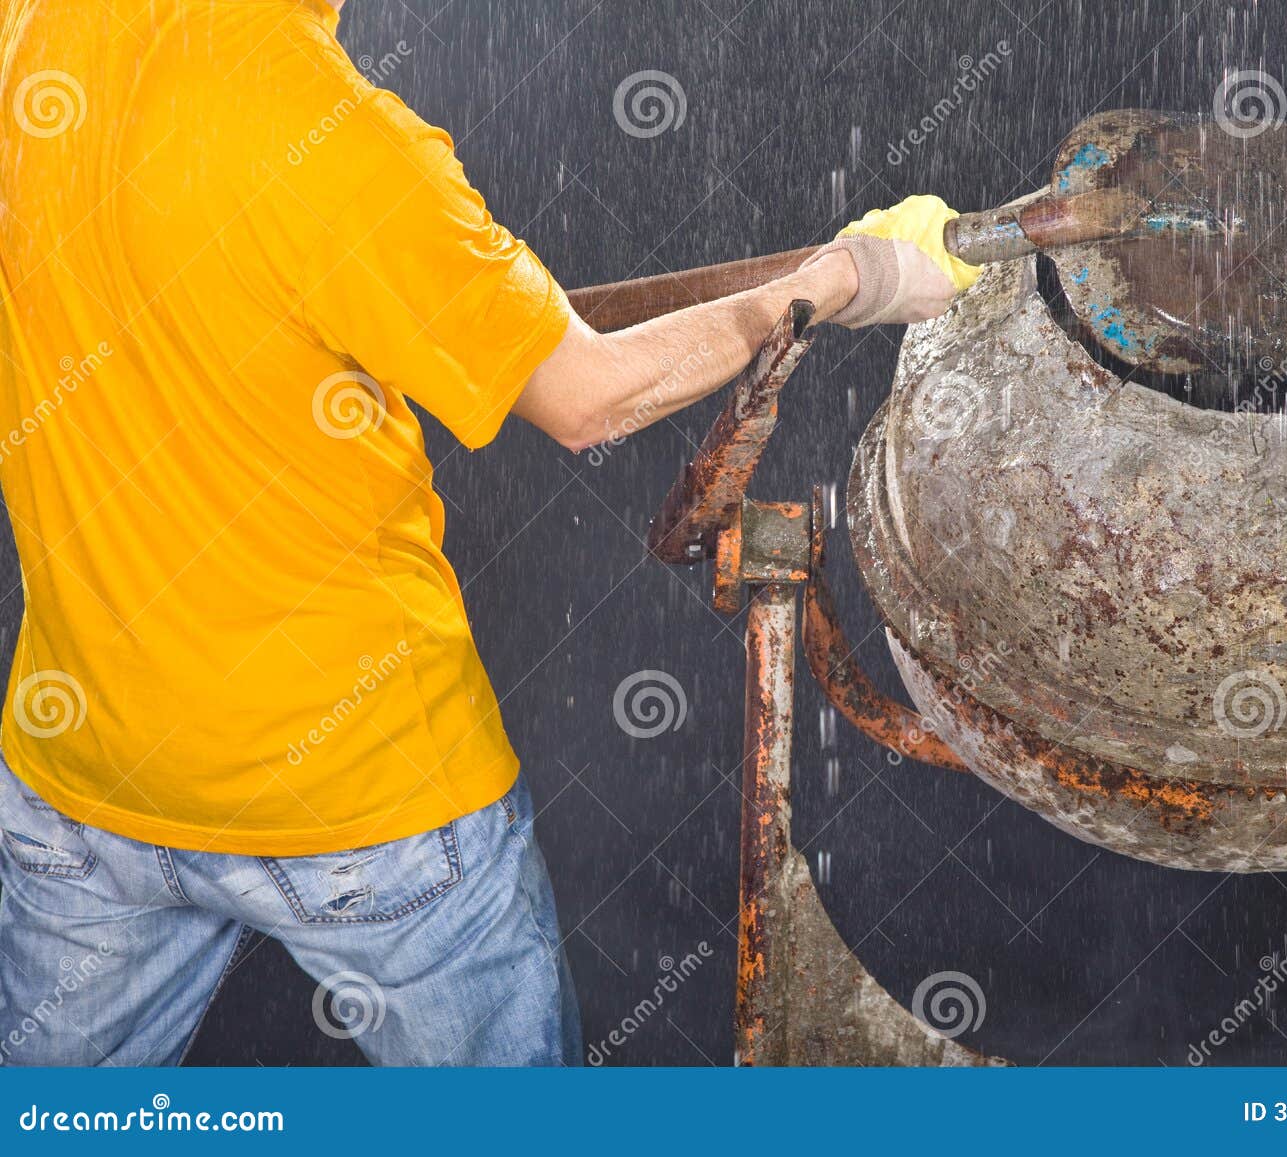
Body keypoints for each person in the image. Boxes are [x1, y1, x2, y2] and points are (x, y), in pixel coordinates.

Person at [0, 0, 978, 1066]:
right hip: (367, 797)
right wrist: (853, 275)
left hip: (84, 782)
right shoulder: (323, 131)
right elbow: (587, 397)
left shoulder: (30, 37)